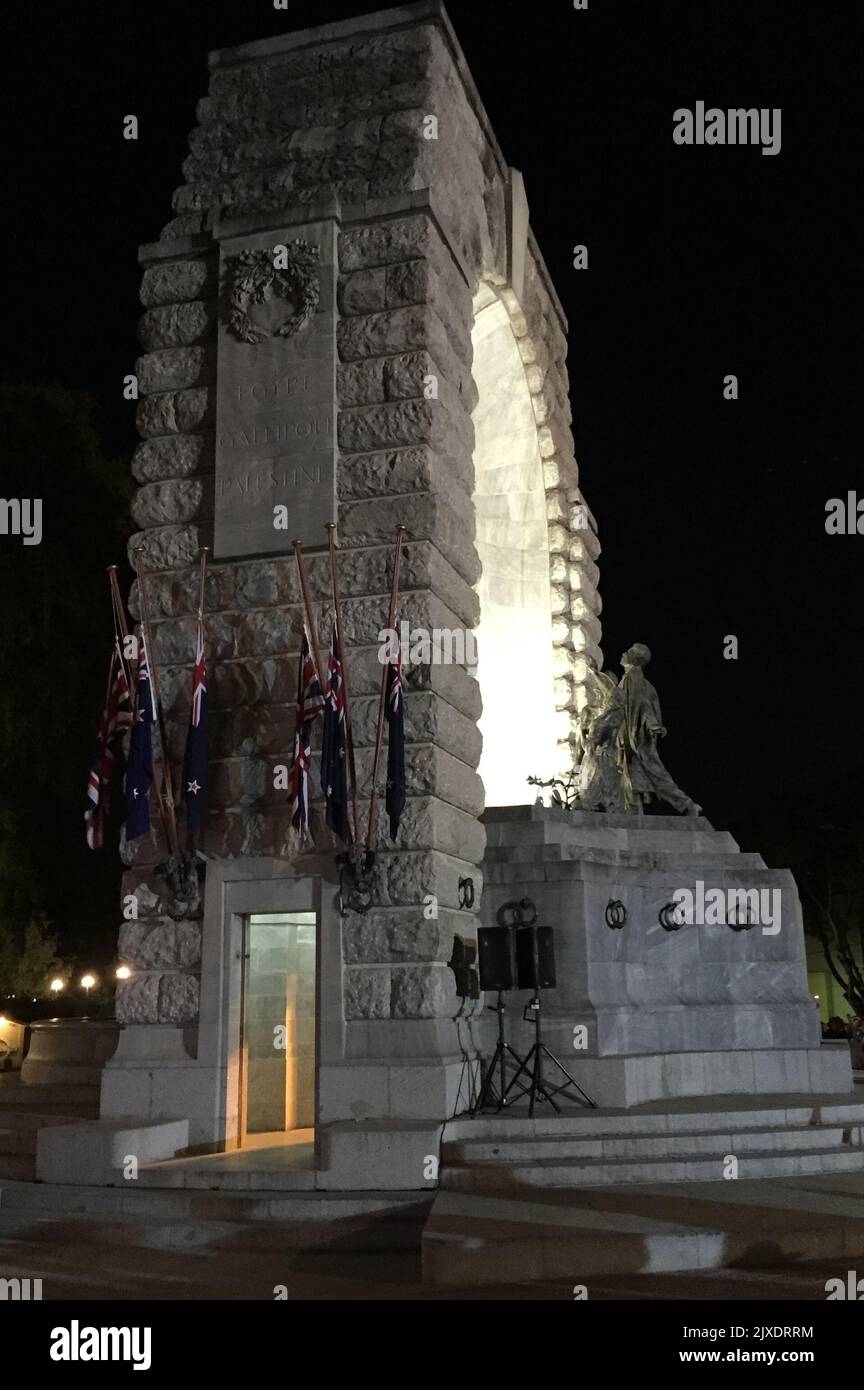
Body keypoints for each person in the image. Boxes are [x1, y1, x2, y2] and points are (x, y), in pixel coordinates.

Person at [617, 643, 701, 816]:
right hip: (630, 739)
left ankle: (687, 805)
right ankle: (634, 817)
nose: (625, 652)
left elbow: (643, 703)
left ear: (636, 660)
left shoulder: (634, 678)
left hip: (637, 740)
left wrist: (653, 725)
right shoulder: (633, 678)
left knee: (655, 775)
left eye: (630, 651)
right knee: (631, 779)